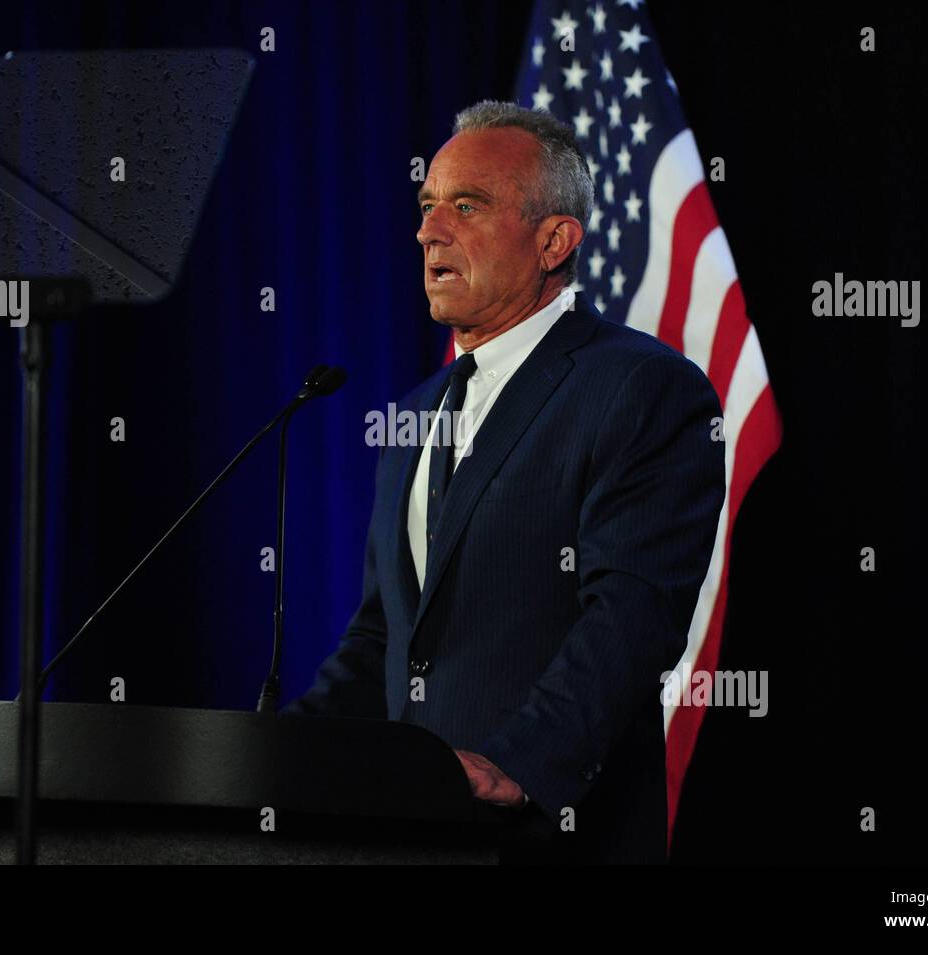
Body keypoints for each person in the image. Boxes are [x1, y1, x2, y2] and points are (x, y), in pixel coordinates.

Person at [282, 101, 725, 863]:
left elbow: (630, 617)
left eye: (467, 205)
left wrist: (515, 766)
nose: (428, 231)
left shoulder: (642, 387)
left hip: (548, 838)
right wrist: (272, 755)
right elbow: (385, 635)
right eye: (426, 207)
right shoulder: (419, 411)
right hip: (409, 841)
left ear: (554, 240)